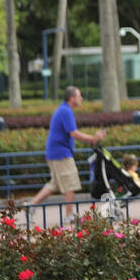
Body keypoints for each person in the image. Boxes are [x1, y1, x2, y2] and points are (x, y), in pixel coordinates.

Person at [28, 86, 105, 221]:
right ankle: (68, 216)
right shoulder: (65, 111)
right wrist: (93, 138)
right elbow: (73, 133)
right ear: (72, 98)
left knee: (55, 184)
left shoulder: (63, 110)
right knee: (70, 183)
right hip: (61, 154)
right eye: (79, 96)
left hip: (55, 153)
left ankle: (31, 205)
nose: (81, 99)